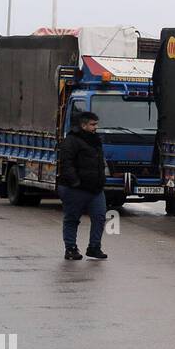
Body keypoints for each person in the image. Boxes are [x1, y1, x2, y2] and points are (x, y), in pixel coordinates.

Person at [57, 111, 109, 260]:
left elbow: (99, 163)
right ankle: (71, 249)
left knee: (99, 217)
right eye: (93, 124)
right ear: (83, 125)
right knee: (72, 219)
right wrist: (75, 182)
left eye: (96, 124)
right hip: (75, 189)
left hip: (95, 189)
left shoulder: (95, 140)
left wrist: (101, 181)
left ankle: (94, 247)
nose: (95, 127)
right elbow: (66, 164)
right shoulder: (71, 141)